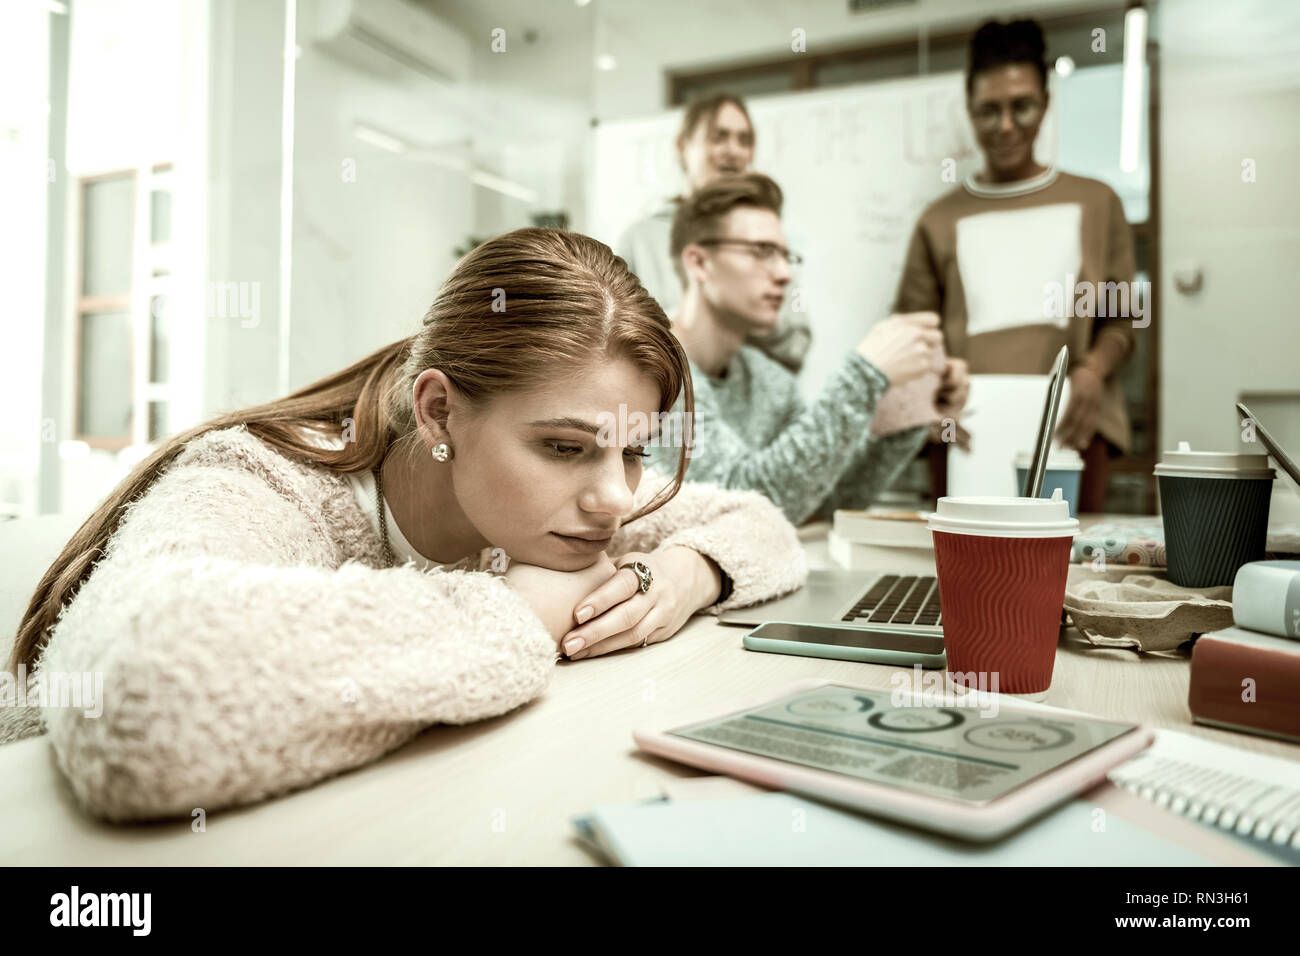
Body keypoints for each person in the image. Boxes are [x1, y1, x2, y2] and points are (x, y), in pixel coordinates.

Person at [1, 228, 808, 822]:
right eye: (565, 447)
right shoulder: (261, 479)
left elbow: (758, 523)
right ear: (437, 411)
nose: (618, 500)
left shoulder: (557, 504)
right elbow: (144, 701)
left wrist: (679, 575)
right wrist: (520, 613)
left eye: (633, 454)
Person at [895, 18, 1138, 510]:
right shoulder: (939, 219)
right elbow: (909, 335)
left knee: (1067, 572)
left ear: (1045, 102)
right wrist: (931, 398)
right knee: (967, 575)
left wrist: (1091, 373)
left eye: (1021, 106)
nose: (1006, 126)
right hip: (965, 439)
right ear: (970, 111)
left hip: (1074, 427)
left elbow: (1124, 320)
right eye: (989, 111)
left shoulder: (1097, 202)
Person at [651, 172, 969, 525]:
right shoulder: (653, 367)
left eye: (787, 256)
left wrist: (908, 408)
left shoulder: (771, 381)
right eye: (762, 251)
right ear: (698, 262)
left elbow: (822, 500)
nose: (785, 273)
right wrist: (863, 376)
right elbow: (739, 504)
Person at [617, 92, 813, 374]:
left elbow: (796, 343)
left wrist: (742, 309)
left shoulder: (770, 236)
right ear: (683, 146)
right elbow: (621, 343)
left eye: (744, 140)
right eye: (718, 137)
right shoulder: (640, 239)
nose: (733, 151)